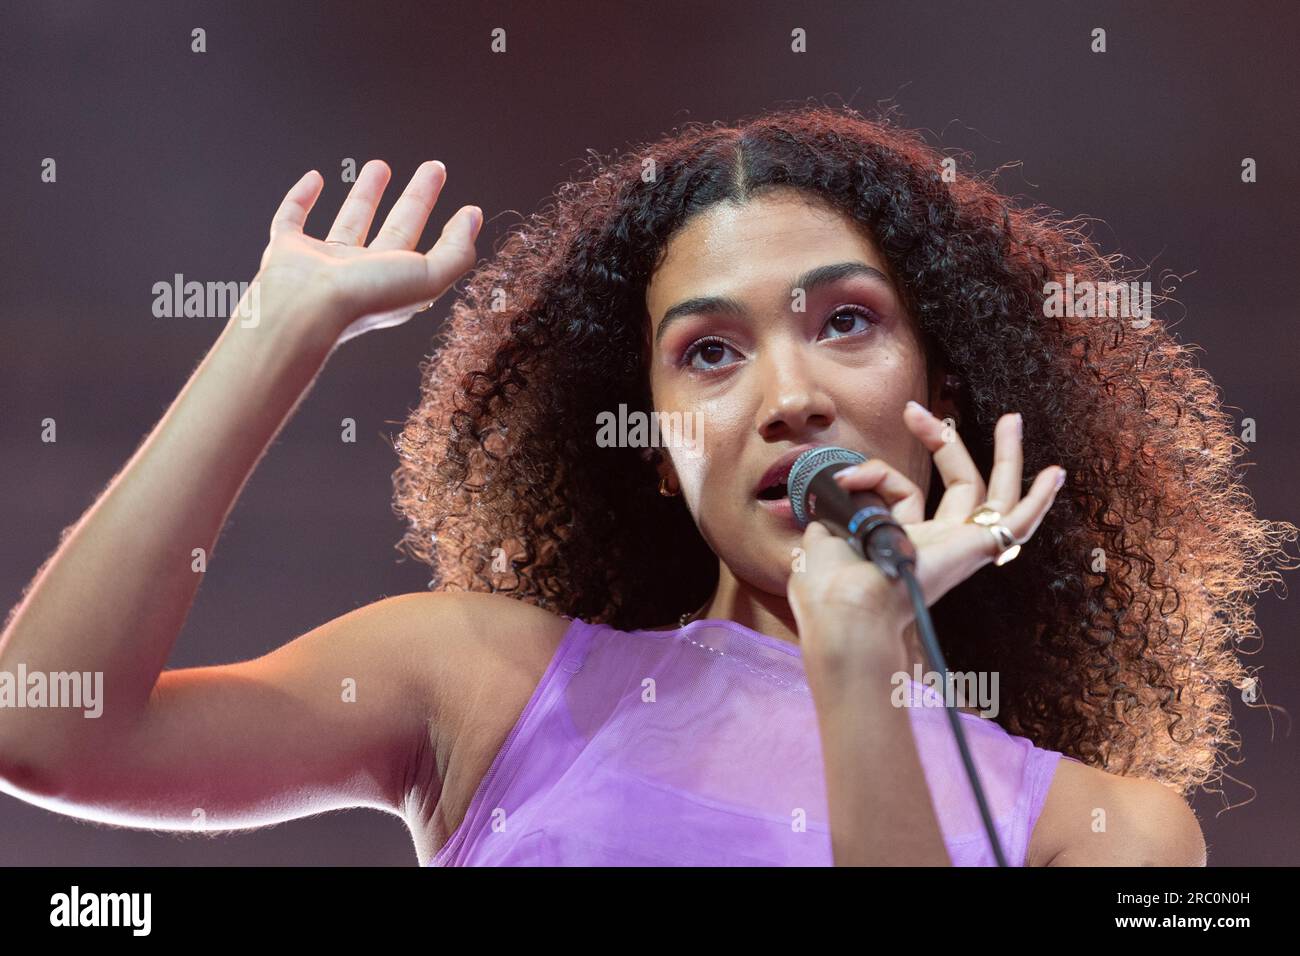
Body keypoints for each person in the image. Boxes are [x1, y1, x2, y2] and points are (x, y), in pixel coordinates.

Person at [2, 106, 1291, 866]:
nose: (789, 394)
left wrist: (859, 659)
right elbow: (45, 729)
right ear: (660, 453)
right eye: (711, 353)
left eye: (846, 322)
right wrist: (273, 333)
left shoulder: (1119, 833)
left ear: (946, 386)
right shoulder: (486, 682)